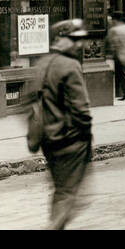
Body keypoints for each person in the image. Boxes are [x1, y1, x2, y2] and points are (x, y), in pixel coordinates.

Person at [36, 18, 94, 230]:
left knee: (61, 191)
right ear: (59, 39)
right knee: (72, 195)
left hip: (47, 140)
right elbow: (82, 110)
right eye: (74, 39)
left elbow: (30, 104)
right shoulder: (71, 66)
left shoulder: (42, 64)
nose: (80, 44)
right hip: (71, 141)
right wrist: (86, 137)